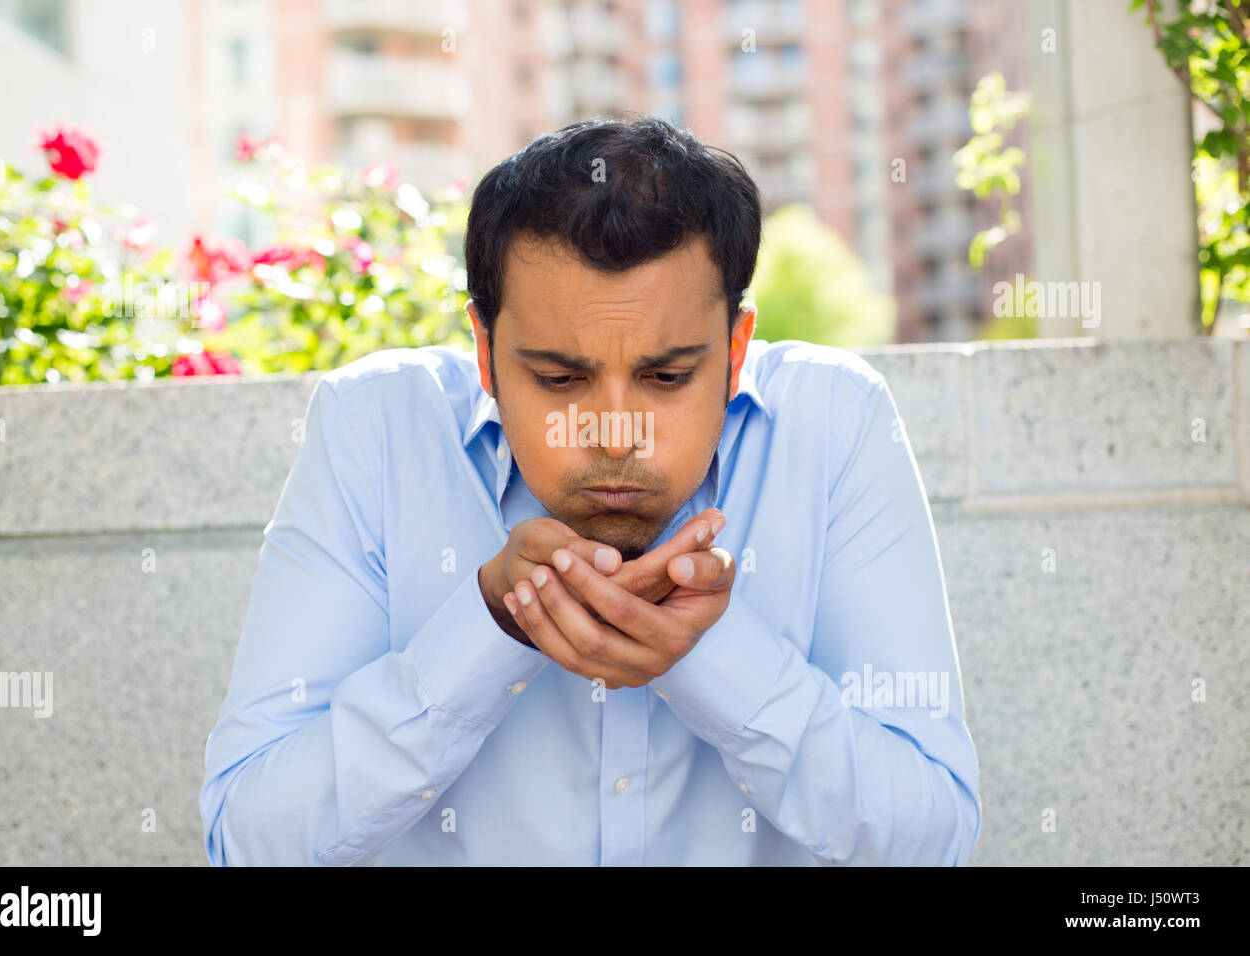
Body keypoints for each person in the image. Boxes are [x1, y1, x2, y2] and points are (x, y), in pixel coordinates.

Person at [198, 113, 981, 866]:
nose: (614, 434)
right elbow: (250, 841)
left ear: (736, 350)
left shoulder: (836, 423)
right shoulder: (374, 429)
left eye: (667, 376)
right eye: (561, 378)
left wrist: (711, 660)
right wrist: (487, 628)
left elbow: (931, 840)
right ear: (484, 349)